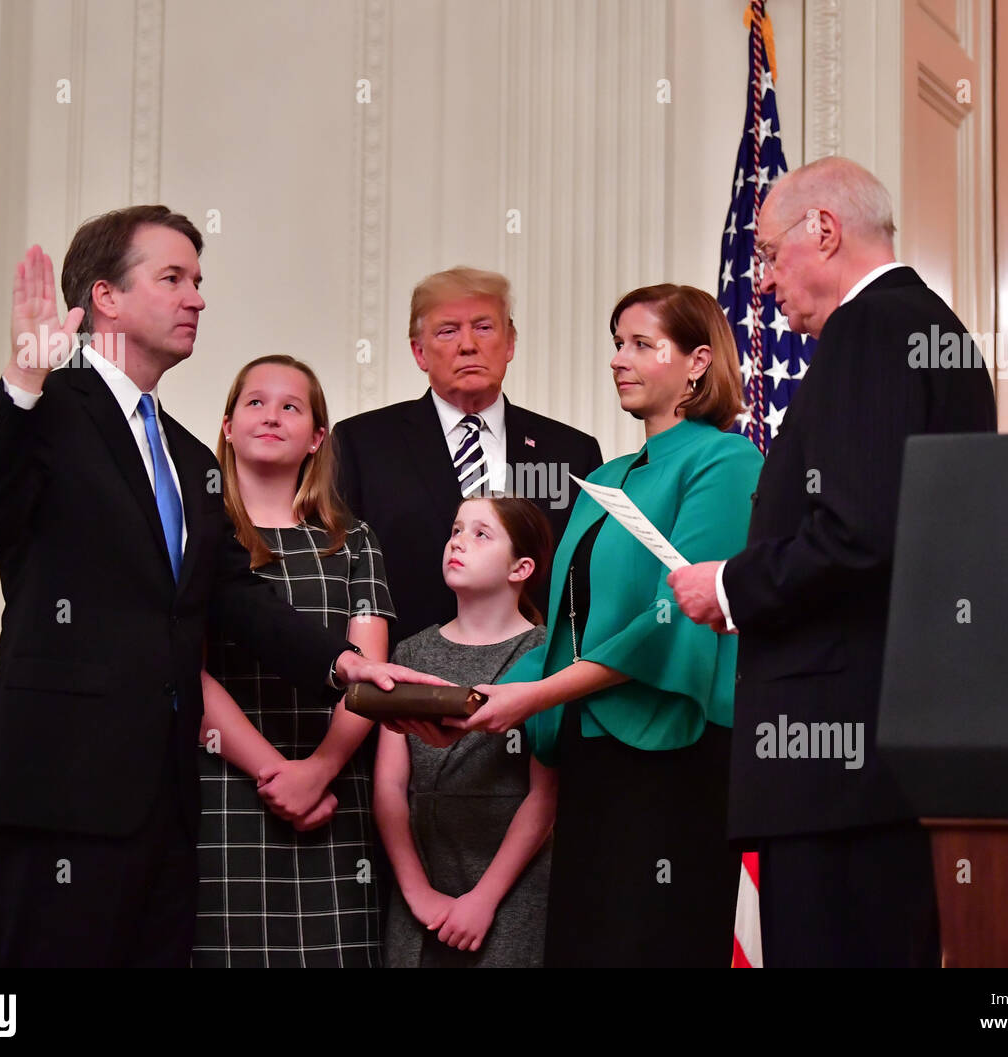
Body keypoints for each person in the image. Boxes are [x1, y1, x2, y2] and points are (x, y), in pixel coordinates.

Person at [0, 207, 441, 968]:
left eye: (199, 281)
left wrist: (349, 666)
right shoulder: (45, 409)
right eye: (173, 278)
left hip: (177, 802)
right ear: (105, 297)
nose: (198, 298)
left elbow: (235, 600)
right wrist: (21, 378)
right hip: (66, 790)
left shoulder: (183, 451)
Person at [667, 156, 998, 968]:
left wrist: (729, 584)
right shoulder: (928, 330)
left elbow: (857, 533)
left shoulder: (874, 329)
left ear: (824, 229)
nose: (767, 283)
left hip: (836, 766)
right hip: (880, 753)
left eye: (773, 255)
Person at [442, 284, 763, 967]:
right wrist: (466, 700)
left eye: (642, 344)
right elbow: (563, 632)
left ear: (699, 361)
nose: (619, 358)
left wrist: (533, 697)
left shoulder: (728, 461)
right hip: (591, 761)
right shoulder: (606, 477)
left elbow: (678, 618)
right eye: (617, 343)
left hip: (675, 757)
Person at [193, 356, 394, 967]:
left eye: (291, 406)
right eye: (255, 402)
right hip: (221, 787)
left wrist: (318, 771)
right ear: (227, 426)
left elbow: (371, 674)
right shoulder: (196, 535)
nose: (272, 416)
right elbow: (182, 671)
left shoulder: (352, 540)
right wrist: (274, 773)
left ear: (317, 437)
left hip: (335, 792)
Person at [334, 266, 603, 646]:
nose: (468, 345)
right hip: (403, 682)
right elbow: (341, 576)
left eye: (483, 327)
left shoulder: (573, 452)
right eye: (448, 331)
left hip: (537, 682)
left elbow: (587, 585)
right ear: (419, 351)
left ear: (510, 343)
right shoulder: (361, 443)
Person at [375, 496, 556, 968]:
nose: (458, 542)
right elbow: (391, 787)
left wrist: (484, 899)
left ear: (521, 568)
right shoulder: (411, 652)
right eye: (456, 530)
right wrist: (417, 893)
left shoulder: (545, 656)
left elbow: (546, 795)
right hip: (424, 883)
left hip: (511, 888)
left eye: (481, 534)